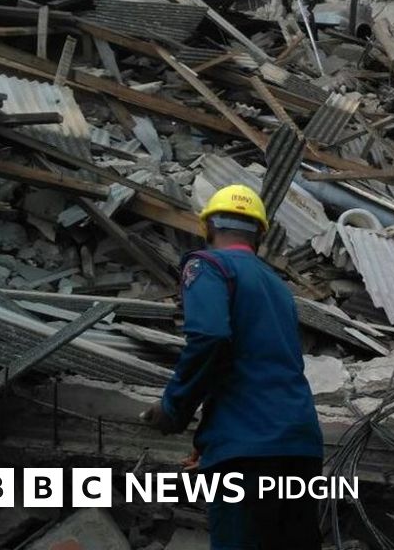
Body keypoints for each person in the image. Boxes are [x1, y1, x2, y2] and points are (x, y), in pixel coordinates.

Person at [142, 184, 324, 550]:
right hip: (300, 448)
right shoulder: (278, 288)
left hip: (246, 456)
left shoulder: (207, 266)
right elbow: (263, 367)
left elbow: (209, 338)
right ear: (259, 235)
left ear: (208, 227)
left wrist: (173, 408)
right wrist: (212, 436)